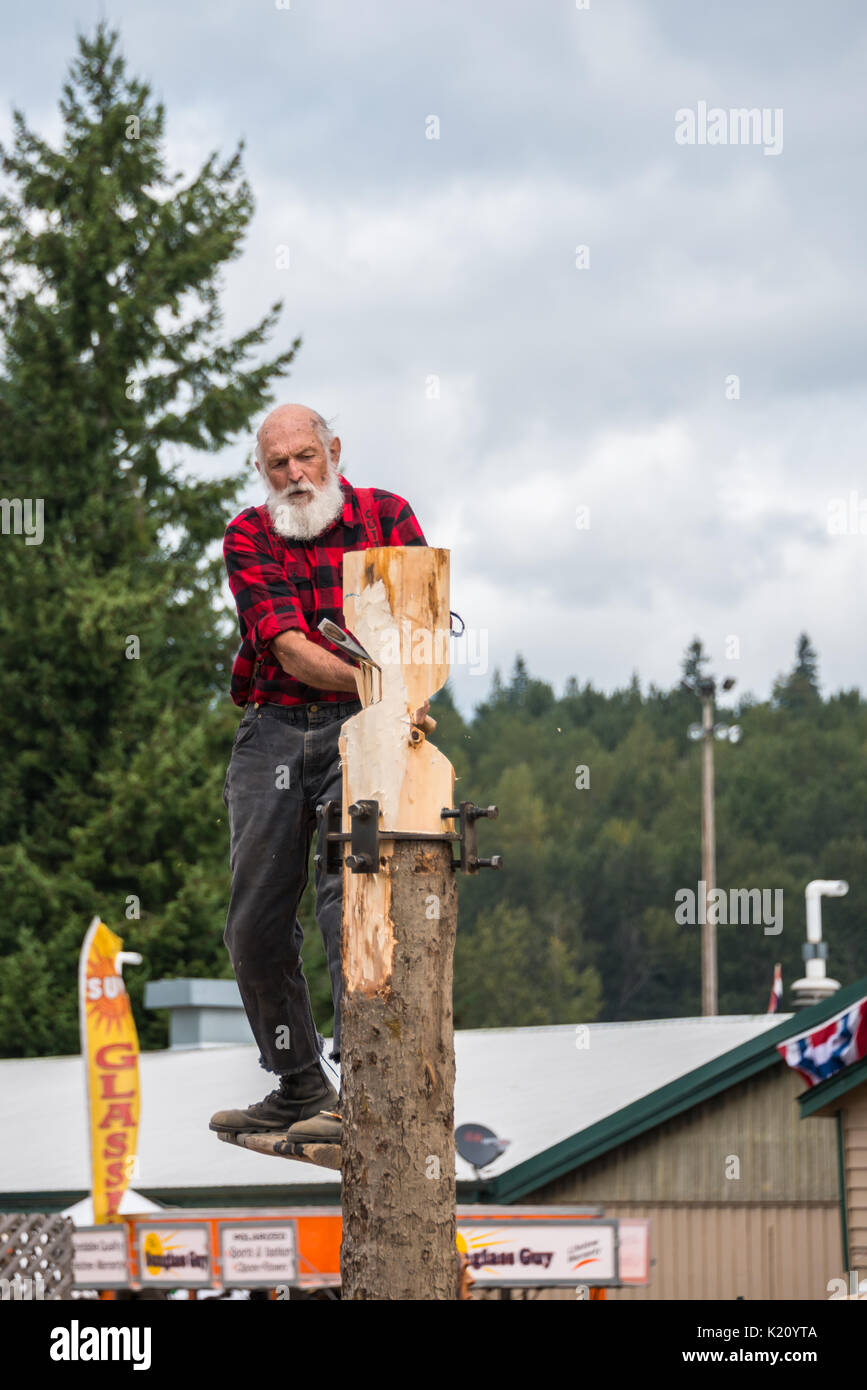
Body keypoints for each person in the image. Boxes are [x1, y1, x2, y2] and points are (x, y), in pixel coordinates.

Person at [209, 404, 428, 1143]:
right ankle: (299, 1081)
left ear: (333, 451)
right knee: (254, 923)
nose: (296, 475)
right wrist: (381, 685)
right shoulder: (248, 532)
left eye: (306, 457)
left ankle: (360, 1092)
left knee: (352, 903)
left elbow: (420, 627)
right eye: (279, 465)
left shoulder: (388, 515)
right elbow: (292, 650)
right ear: (262, 471)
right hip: (273, 726)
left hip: (361, 729)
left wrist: (399, 701)